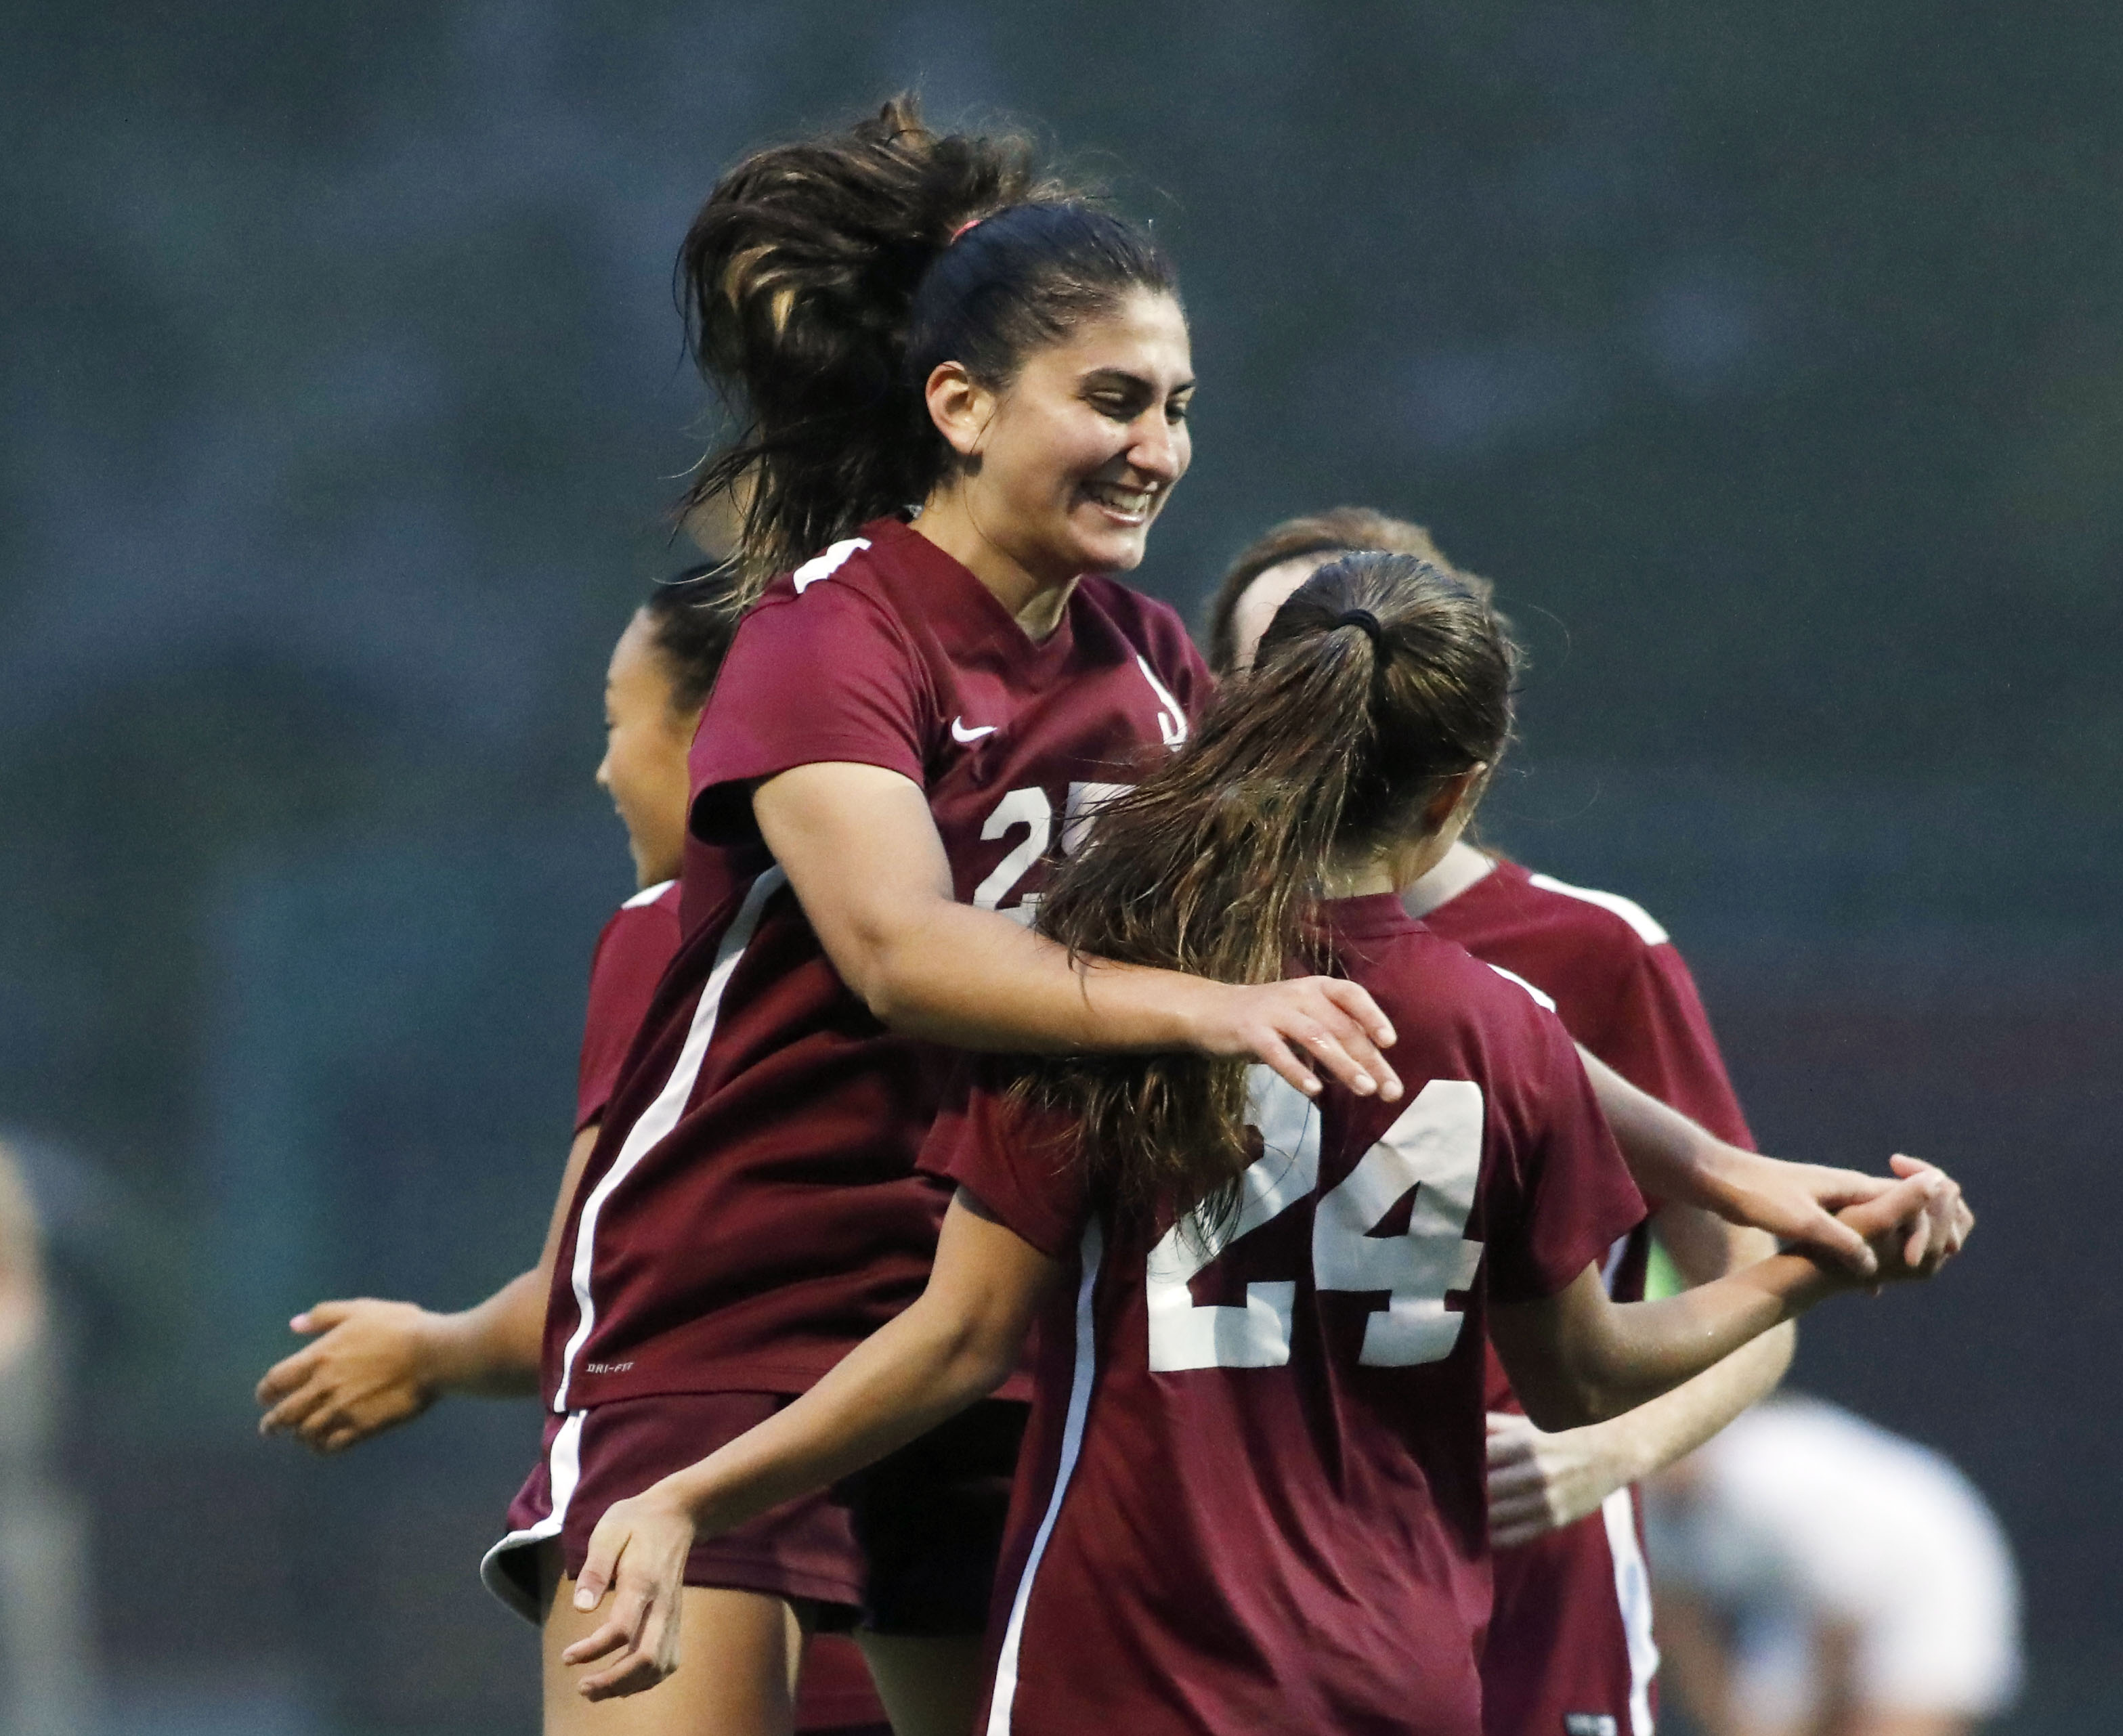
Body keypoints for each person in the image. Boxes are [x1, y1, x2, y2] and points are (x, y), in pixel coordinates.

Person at [553, 552, 1960, 1735]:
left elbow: (957, 1341)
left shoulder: (1112, 1000)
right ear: (1457, 789)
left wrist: (689, 1493)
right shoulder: (1506, 1030)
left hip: (1124, 1659)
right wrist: (1807, 1271)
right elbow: (1586, 1372)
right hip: (1395, 1671)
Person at [1208, 507, 1837, 1736]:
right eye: (1280, 661)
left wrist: (1607, 1450)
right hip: (1239, 1581)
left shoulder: (1588, 951)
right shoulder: (1165, 959)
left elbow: (1750, 1302)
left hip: (1523, 1592)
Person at [255, 570, 888, 1734]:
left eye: (618, 719)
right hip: (949, 1504)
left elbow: (579, 1296)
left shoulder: (680, 933)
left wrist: (432, 1348)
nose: (605, 769)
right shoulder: (984, 935)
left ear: (718, 729)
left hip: (691, 1488)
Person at [1646, 1393, 2022, 1736]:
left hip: (1924, 1577)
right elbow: (1681, 1627)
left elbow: (1844, 1618)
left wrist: (1807, 1724)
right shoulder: (1642, 1499)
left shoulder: (1772, 1469)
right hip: (1796, 1611)